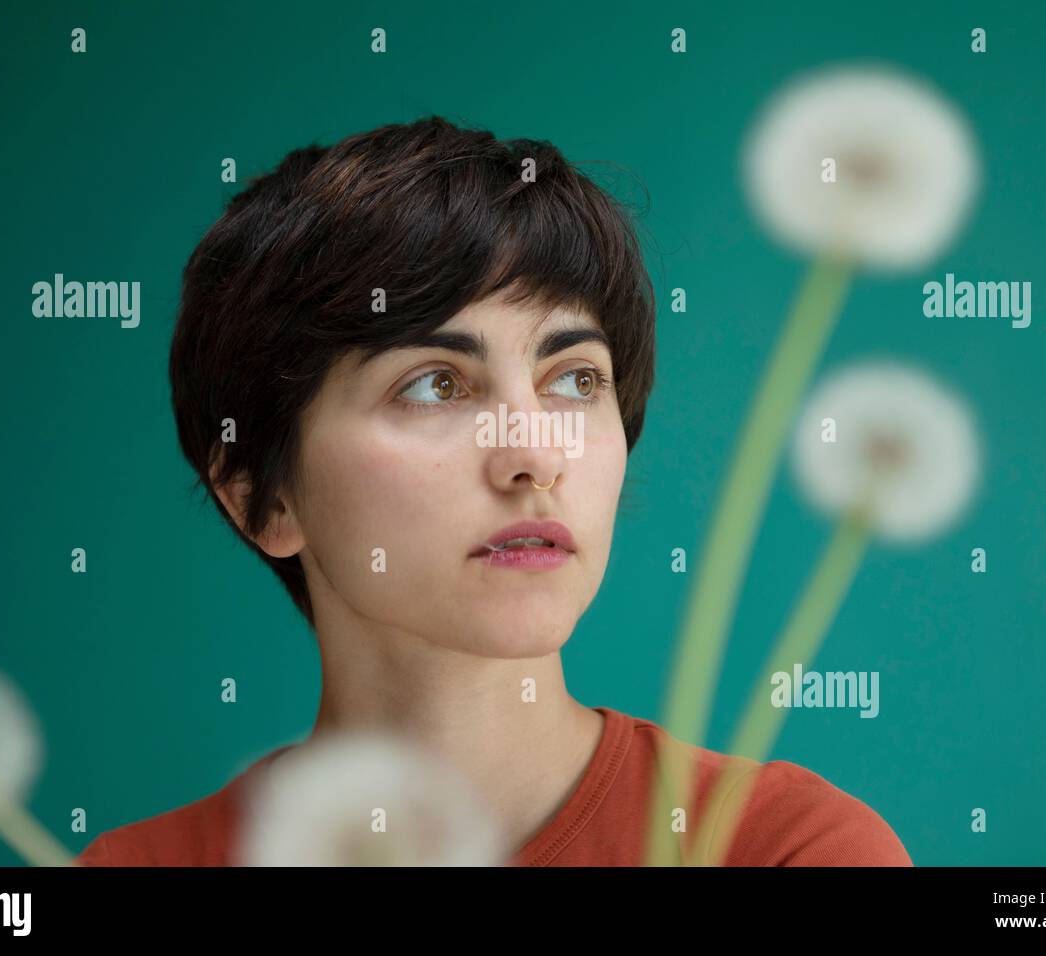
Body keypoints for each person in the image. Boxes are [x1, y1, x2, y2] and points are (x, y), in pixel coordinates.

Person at [77, 116, 911, 867]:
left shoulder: (785, 849)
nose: (533, 456)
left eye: (576, 379)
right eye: (436, 386)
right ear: (261, 498)